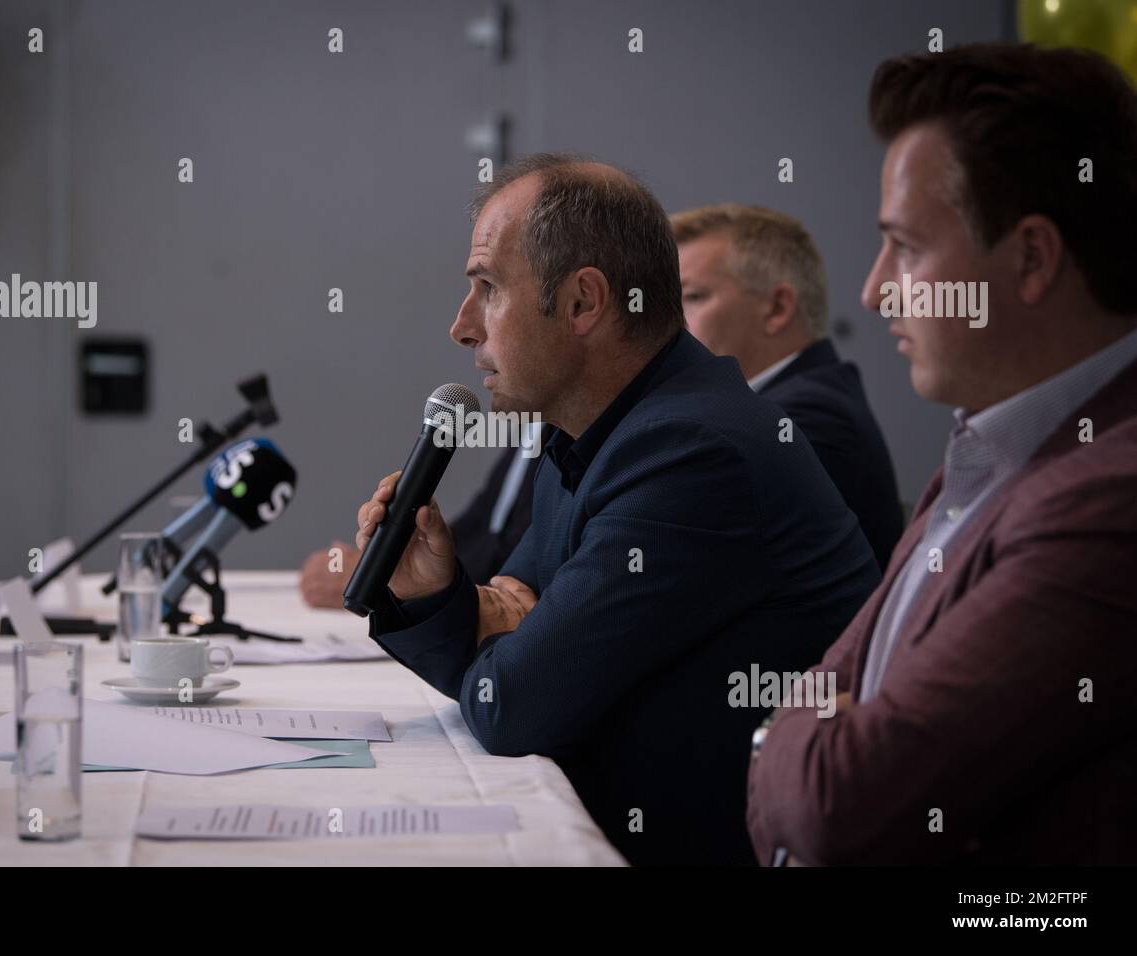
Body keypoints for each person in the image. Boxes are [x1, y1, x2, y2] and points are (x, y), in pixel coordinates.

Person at [354, 153, 879, 865]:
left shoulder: (690, 449)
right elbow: (505, 633)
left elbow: (512, 706)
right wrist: (435, 598)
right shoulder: (593, 428)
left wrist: (520, 640)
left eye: (487, 288)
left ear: (583, 302)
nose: (462, 326)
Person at [747, 43, 1137, 865]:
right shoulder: (984, 449)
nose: (875, 289)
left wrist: (784, 741)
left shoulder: (1108, 496)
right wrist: (814, 729)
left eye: (907, 247)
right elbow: (822, 717)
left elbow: (835, 808)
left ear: (1032, 257)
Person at [672, 204, 903, 570]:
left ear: (777, 308)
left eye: (693, 297)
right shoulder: (794, 405)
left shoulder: (804, 421)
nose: (669, 322)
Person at [299, 422, 547, 608]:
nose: (469, 349)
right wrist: (394, 555)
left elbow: (518, 565)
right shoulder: (534, 426)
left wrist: (386, 578)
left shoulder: (567, 437)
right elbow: (482, 525)